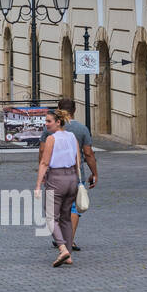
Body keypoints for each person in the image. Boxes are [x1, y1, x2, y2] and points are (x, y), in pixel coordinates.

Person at [36, 99, 99, 252]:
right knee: (73, 209)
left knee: (54, 212)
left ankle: (62, 243)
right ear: (75, 110)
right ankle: (70, 241)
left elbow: (43, 152)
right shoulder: (82, 129)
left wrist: (41, 174)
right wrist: (94, 173)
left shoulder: (50, 130)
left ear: (58, 111)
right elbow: (88, 153)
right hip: (76, 175)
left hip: (55, 176)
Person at [36, 108, 80, 268]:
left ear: (58, 122)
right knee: (66, 217)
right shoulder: (72, 136)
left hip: (56, 178)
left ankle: (62, 248)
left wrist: (37, 185)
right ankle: (68, 254)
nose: (46, 124)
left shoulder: (51, 139)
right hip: (72, 179)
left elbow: (44, 162)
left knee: (50, 217)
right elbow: (77, 161)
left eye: (49, 121)